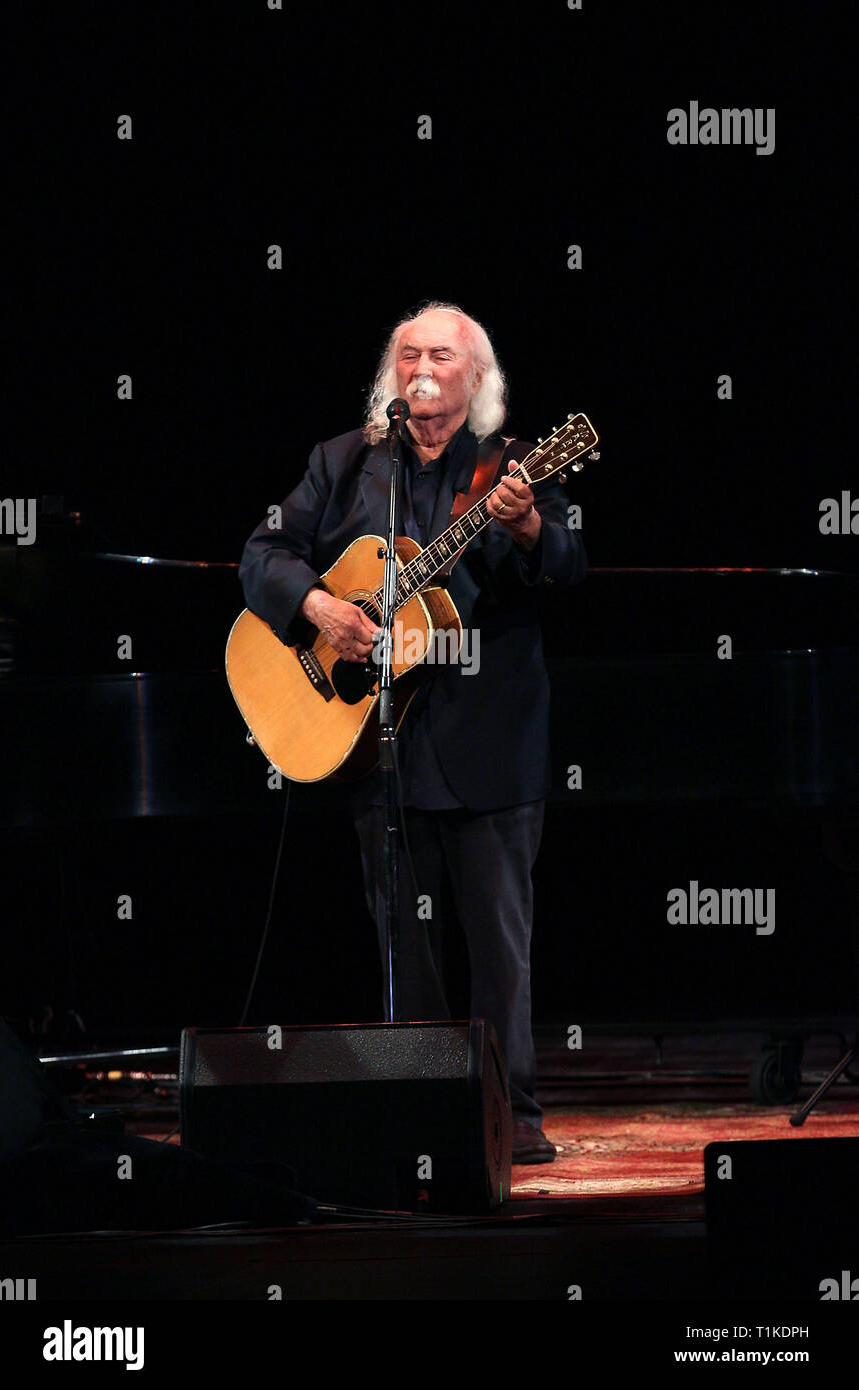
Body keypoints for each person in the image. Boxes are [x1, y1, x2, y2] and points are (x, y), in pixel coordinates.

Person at [239, 301, 587, 1162]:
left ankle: (517, 1122)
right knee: (406, 943)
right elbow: (262, 554)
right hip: (380, 747)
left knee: (498, 951)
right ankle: (429, 1120)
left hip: (488, 747)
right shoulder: (346, 461)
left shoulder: (512, 468)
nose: (422, 367)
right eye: (408, 354)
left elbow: (571, 567)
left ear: (476, 378)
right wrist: (319, 603)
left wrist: (529, 525)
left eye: (441, 354)